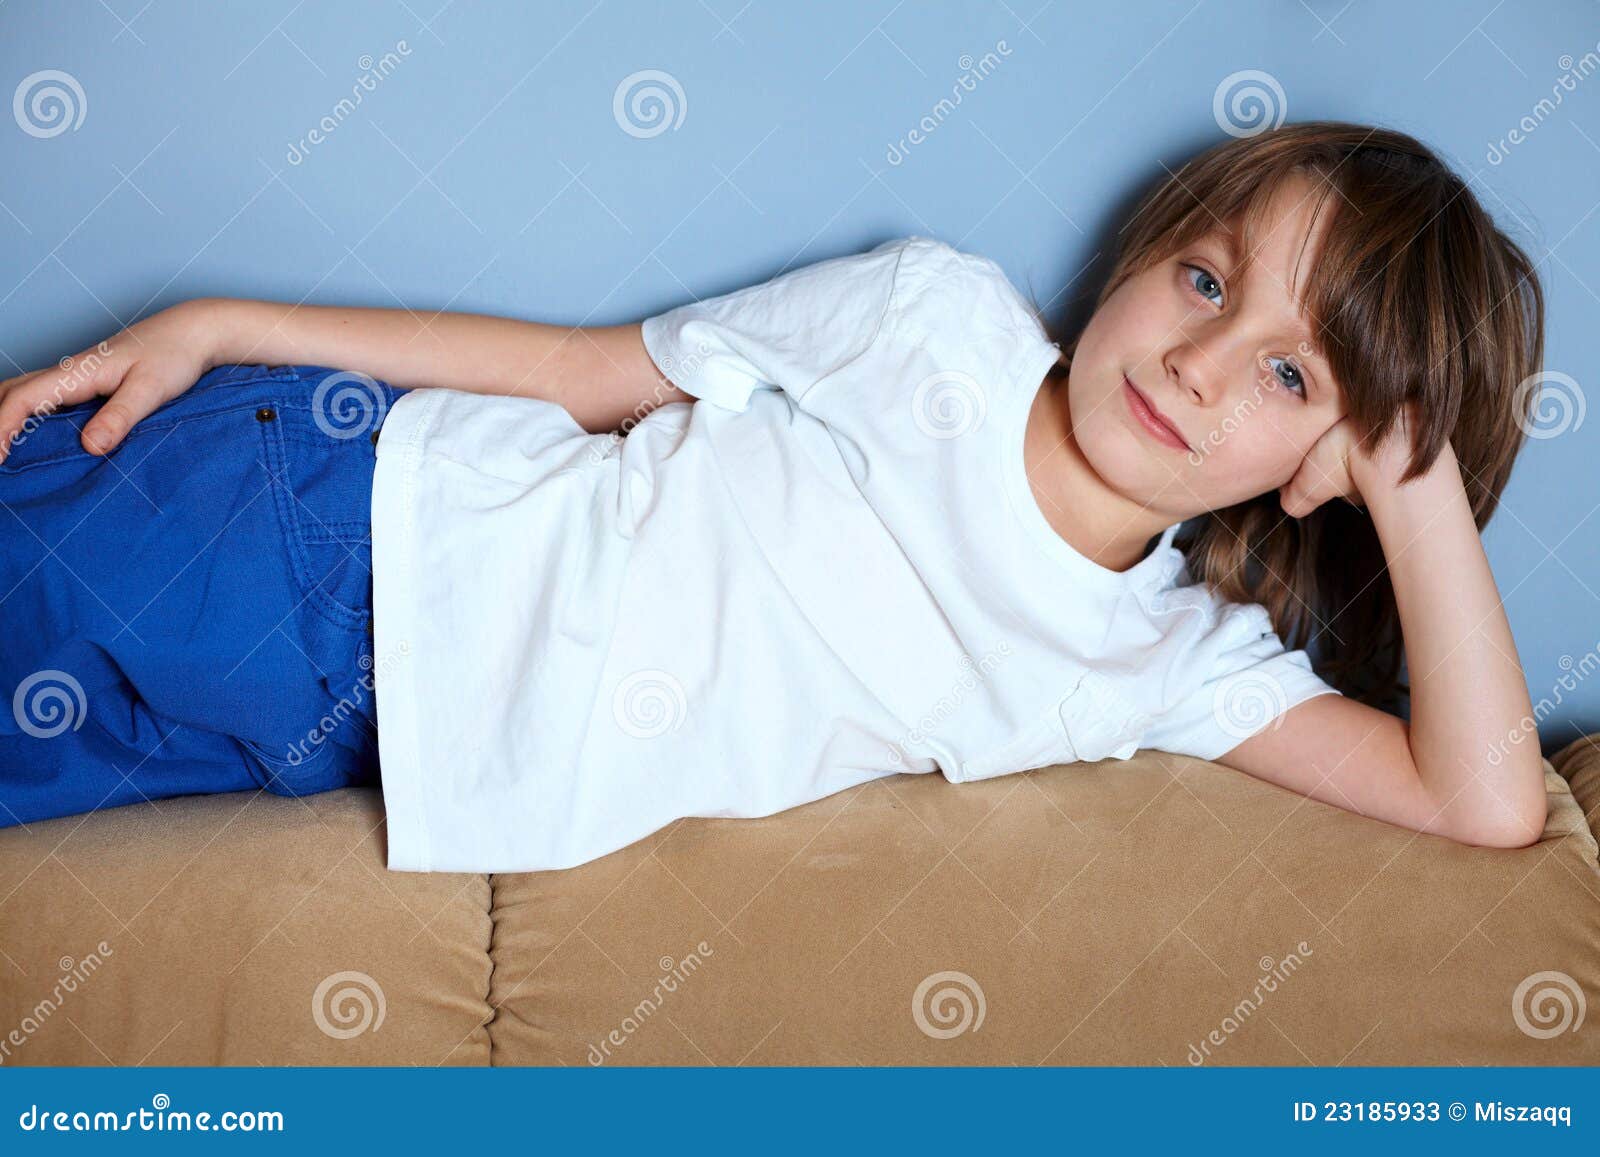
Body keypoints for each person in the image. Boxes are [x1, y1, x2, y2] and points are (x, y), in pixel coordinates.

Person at [0, 120, 1550, 871]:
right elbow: (578, 372)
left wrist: (1412, 485)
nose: (1204, 361)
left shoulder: (1171, 662)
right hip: (327, 527)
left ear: (1324, 467)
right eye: (1206, 278)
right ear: (1151, 249)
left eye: (1291, 377)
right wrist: (222, 319)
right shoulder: (931, 315)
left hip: (336, 746)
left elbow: (1483, 801)